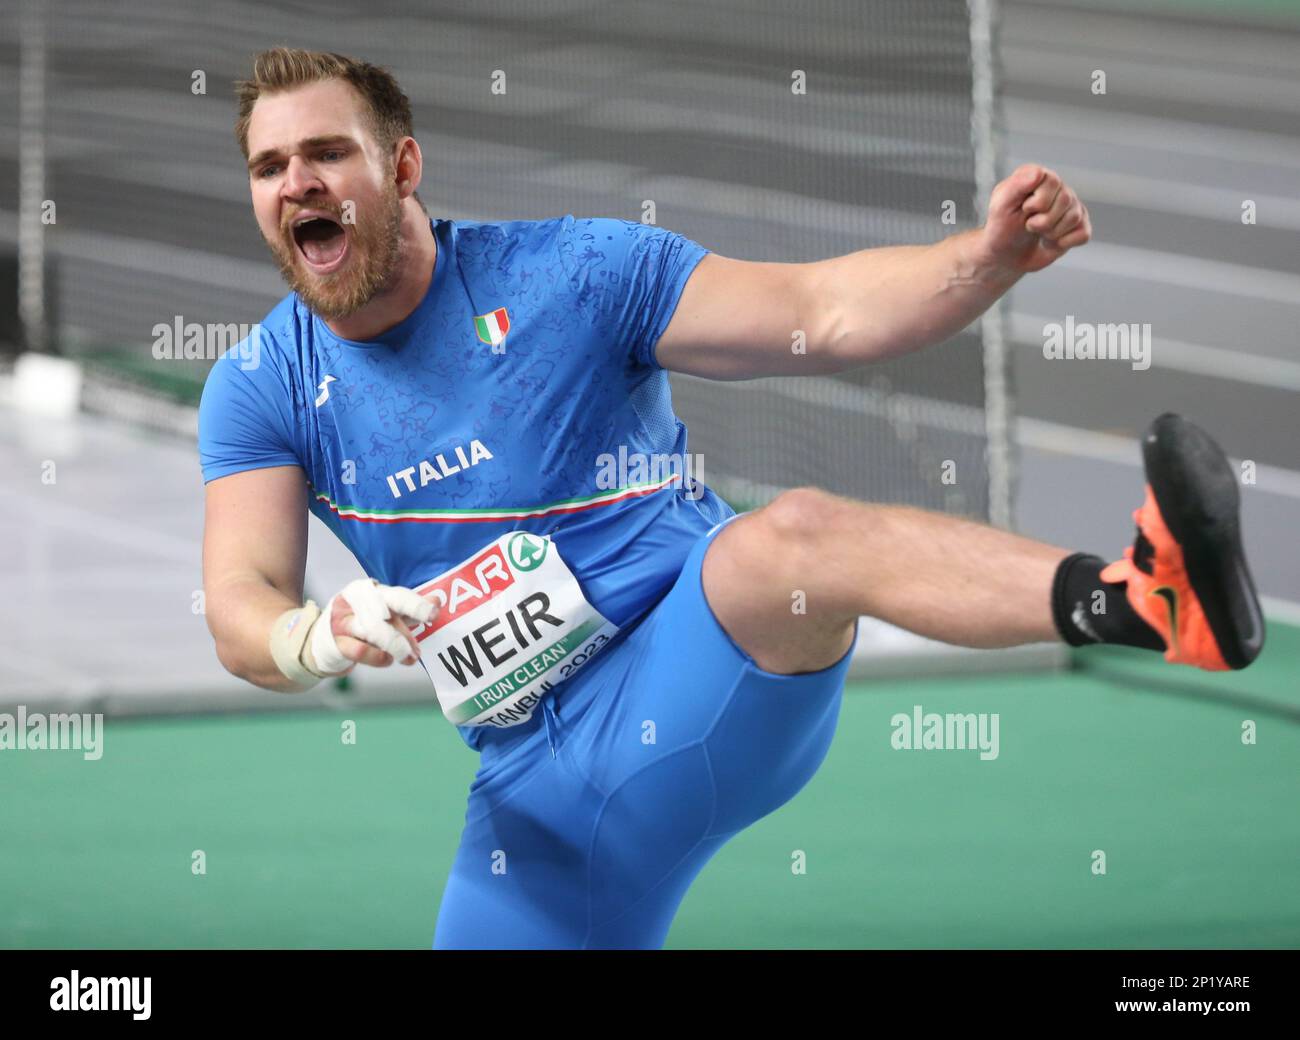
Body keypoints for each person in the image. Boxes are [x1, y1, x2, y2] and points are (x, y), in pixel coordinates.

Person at [199, 48, 1264, 949]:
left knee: (795, 537)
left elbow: (820, 310)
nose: (296, 182)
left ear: (400, 165)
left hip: (700, 656)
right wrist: (314, 632)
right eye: (268, 166)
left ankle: (1141, 599)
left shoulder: (572, 274)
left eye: (325, 152)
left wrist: (981, 261)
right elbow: (240, 600)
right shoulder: (262, 385)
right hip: (547, 792)